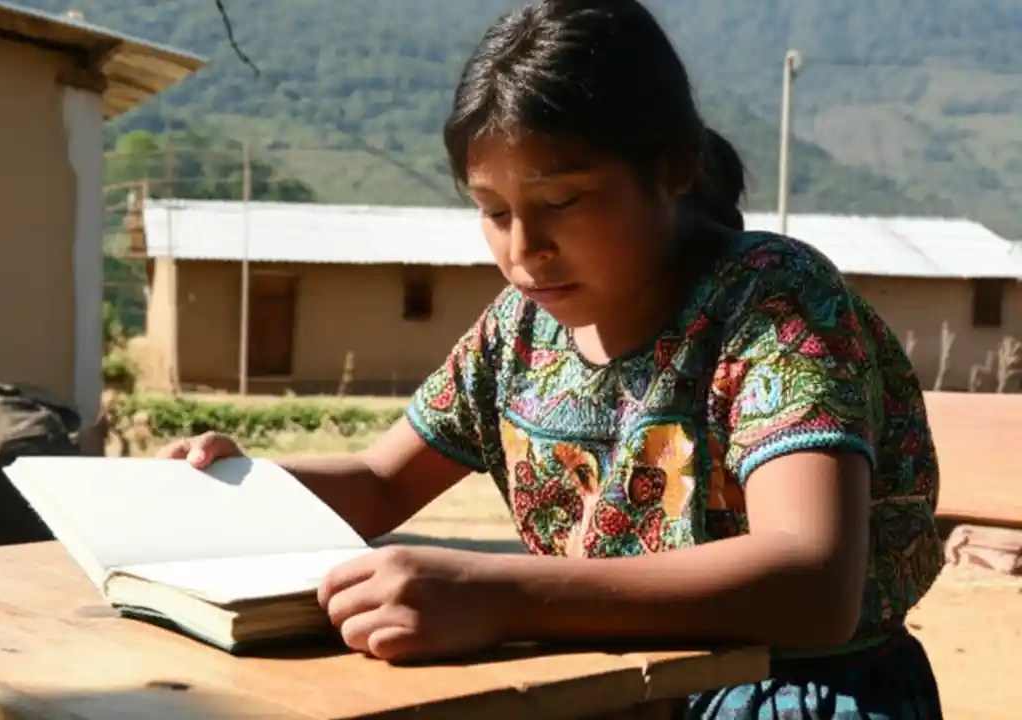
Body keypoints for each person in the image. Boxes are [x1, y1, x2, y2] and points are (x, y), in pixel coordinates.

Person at [159, 1, 945, 716]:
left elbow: (812, 582)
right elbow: (378, 481)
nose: (524, 250)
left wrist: (499, 593)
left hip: (791, 696)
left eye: (560, 203)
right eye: (493, 212)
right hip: (609, 690)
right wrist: (235, 485)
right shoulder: (519, 333)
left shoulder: (774, 302)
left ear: (670, 167)